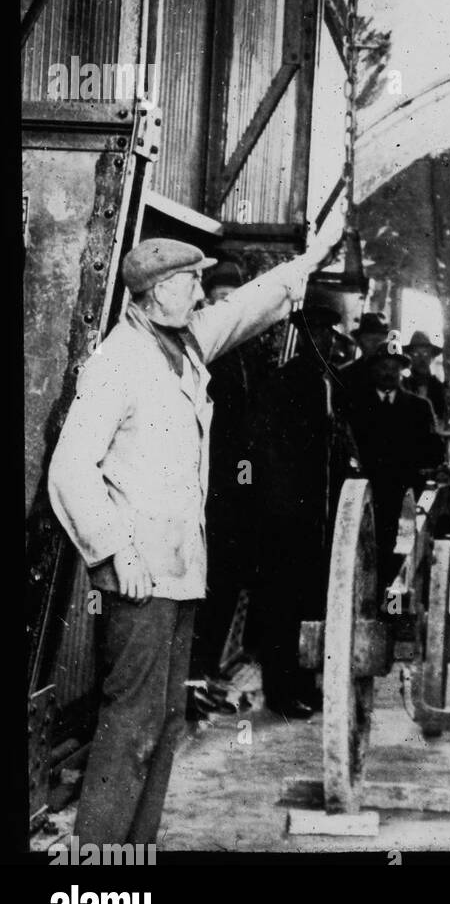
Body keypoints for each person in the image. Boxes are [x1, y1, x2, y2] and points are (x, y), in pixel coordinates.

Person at [48, 234, 336, 847]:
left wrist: (303, 266)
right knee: (130, 723)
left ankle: (134, 858)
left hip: (179, 571)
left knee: (165, 718)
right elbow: (70, 468)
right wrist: (113, 551)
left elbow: (239, 311)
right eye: (187, 284)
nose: (200, 292)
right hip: (139, 575)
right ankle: (99, 875)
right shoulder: (118, 363)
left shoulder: (182, 346)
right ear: (153, 295)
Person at [248, 289, 357, 718]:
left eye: (328, 334)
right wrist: (281, 507)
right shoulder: (285, 382)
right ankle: (281, 690)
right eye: (315, 333)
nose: (324, 341)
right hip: (288, 518)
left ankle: (305, 682)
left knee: (313, 602)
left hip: (320, 517)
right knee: (283, 607)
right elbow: (268, 452)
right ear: (303, 336)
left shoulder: (330, 380)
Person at [187, 260, 256, 720]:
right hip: (198, 492)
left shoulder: (247, 357)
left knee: (224, 584)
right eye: (215, 299)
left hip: (230, 497)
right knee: (196, 587)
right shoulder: (197, 355)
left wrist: (247, 487)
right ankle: (191, 678)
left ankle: (206, 671)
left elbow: (248, 438)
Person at [343, 347, 445, 595]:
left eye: (393, 368)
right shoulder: (357, 407)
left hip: (406, 492)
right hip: (369, 492)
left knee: (402, 555)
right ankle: (370, 603)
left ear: (401, 371)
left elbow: (433, 451)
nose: (388, 373)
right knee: (369, 550)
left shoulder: (419, 407)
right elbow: (348, 446)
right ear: (373, 371)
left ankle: (393, 609)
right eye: (382, 367)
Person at [403, 330, 447, 422]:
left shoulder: (438, 387)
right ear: (410, 356)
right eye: (416, 354)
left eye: (425, 353)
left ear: (431, 357)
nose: (422, 358)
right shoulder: (403, 385)